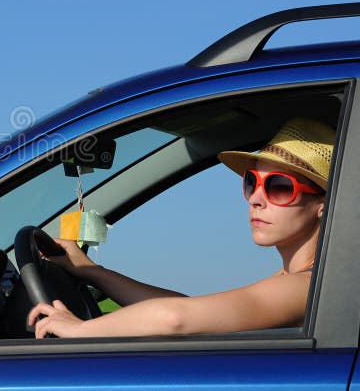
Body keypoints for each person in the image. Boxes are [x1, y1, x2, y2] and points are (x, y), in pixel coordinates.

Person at [27, 117, 335, 339]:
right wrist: (92, 271)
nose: (256, 199)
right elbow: (186, 308)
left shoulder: (306, 288)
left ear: (323, 203)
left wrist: (80, 330)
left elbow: (176, 319)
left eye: (280, 187)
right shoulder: (293, 279)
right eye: (252, 182)